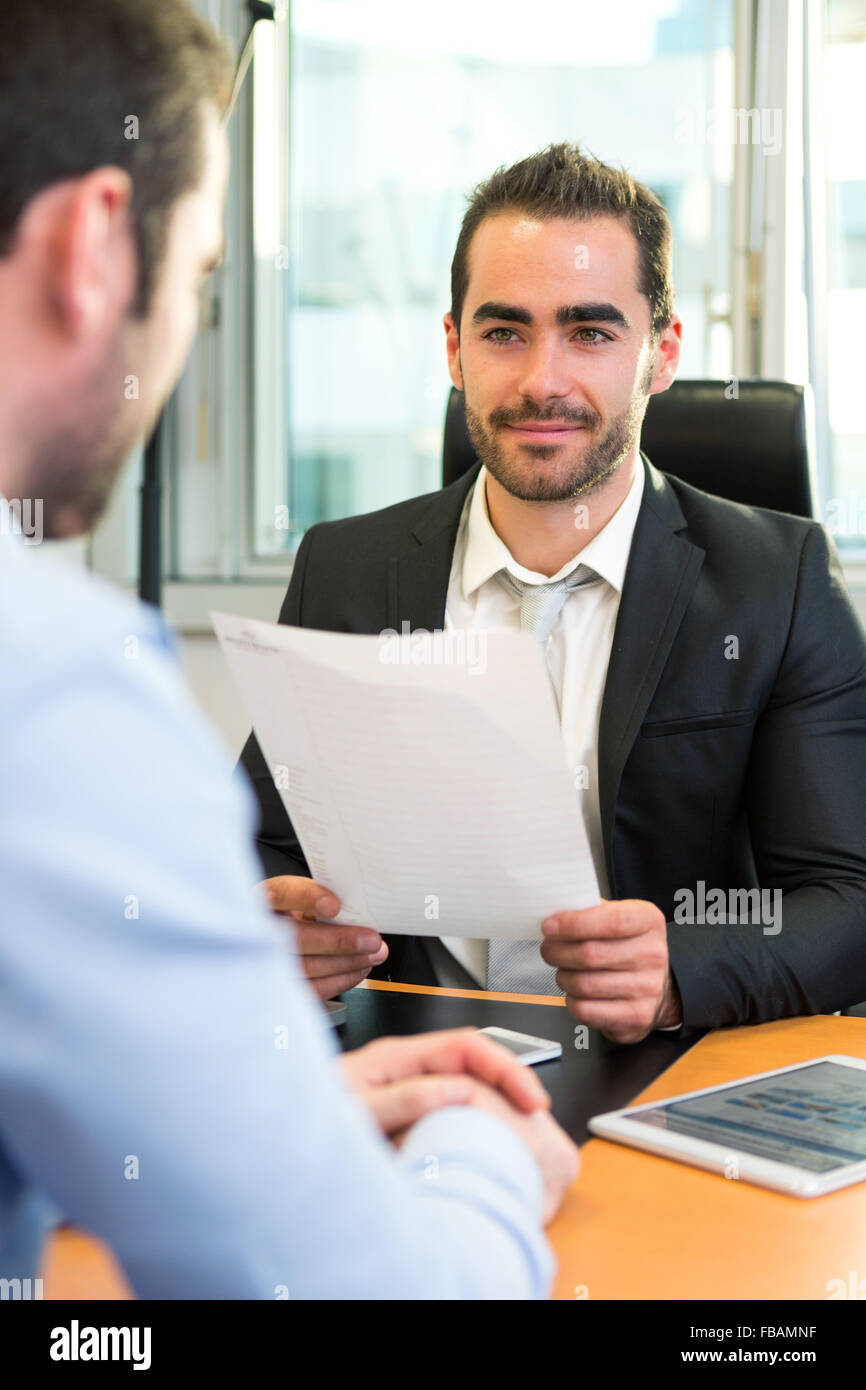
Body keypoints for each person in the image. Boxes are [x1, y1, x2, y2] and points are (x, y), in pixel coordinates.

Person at [0, 0, 579, 1300]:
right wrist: (480, 1148)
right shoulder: (53, 690)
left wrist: (255, 1105)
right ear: (96, 245)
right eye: (201, 277)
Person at [240, 143, 866, 1043]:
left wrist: (683, 972)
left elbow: (848, 900)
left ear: (660, 355)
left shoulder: (780, 581)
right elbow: (259, 840)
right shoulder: (345, 567)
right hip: (414, 1056)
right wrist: (276, 923)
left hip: (654, 1075)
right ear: (454, 348)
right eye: (504, 332)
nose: (543, 381)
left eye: (591, 332)